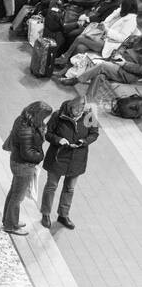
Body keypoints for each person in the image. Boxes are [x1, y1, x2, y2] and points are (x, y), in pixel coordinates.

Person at [39, 95, 97, 231]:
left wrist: (84, 141)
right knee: (51, 186)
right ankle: (45, 213)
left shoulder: (89, 115)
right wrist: (59, 140)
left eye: (81, 110)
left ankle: (63, 215)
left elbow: (94, 133)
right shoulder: (58, 115)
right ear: (71, 107)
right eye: (76, 111)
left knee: (69, 188)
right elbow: (47, 133)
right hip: (58, 158)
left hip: (77, 158)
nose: (79, 113)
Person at [1, 101, 52, 236]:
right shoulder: (27, 129)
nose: (44, 120)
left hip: (17, 162)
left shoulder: (23, 120)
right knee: (17, 197)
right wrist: (40, 156)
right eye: (44, 117)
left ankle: (7, 220)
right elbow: (27, 153)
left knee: (14, 193)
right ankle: (11, 225)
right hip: (23, 165)